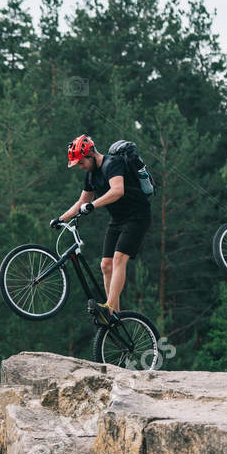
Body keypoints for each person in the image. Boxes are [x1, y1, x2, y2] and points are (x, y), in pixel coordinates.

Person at [51, 134, 151, 324]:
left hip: (137, 216)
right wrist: (60, 219)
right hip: (118, 219)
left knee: (119, 259)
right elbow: (82, 201)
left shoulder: (112, 164)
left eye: (80, 163)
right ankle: (115, 315)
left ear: (90, 155)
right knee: (105, 265)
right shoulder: (90, 174)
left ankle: (109, 307)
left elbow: (117, 190)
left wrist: (93, 205)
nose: (80, 167)